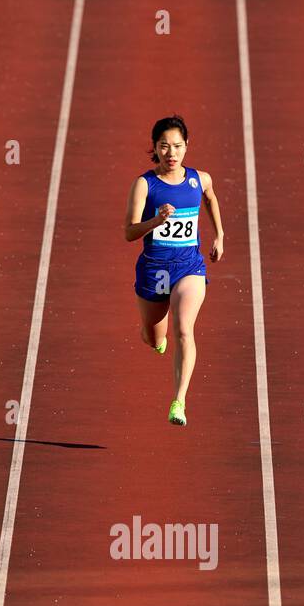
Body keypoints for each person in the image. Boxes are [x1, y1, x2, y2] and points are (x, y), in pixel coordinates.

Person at [124, 115, 224, 426]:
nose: (172, 153)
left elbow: (210, 197)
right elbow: (129, 231)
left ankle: (179, 401)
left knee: (184, 329)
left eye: (178, 146)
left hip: (188, 267)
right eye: (165, 146)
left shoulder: (199, 178)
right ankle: (154, 336)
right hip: (155, 270)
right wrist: (156, 221)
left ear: (186, 147)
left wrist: (219, 234)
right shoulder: (145, 184)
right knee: (155, 338)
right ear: (155, 147)